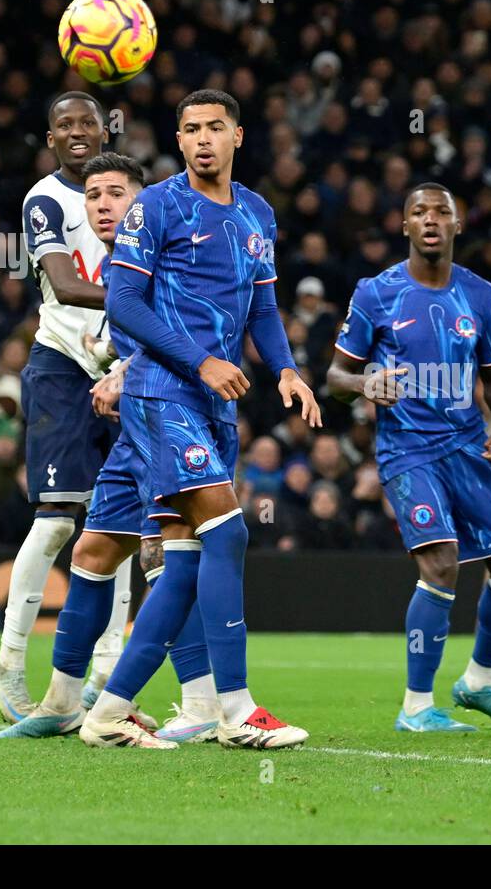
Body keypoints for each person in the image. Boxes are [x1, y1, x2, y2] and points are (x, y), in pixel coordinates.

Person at [88, 89, 320, 749]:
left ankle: (106, 714)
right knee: (229, 533)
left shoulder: (256, 213)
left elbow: (262, 310)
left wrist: (285, 369)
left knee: (186, 562)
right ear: (181, 140)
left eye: (215, 127)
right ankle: (236, 709)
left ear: (238, 137)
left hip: (216, 404)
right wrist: (202, 361)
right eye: (190, 129)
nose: (202, 139)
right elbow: (124, 302)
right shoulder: (156, 206)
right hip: (163, 392)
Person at [0, 152, 216, 743]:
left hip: (175, 419)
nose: (102, 206)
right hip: (134, 427)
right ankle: (62, 701)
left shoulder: (160, 257)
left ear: (142, 201)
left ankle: (204, 704)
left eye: (116, 194)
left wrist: (126, 370)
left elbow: (191, 329)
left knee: (170, 554)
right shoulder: (117, 265)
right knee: (93, 551)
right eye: (92, 197)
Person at [327, 183, 491, 733]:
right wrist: (365, 382)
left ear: (457, 224)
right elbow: (333, 378)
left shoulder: (480, 294)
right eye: (418, 211)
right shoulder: (377, 293)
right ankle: (417, 707)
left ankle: (478, 684)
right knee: (441, 563)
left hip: (469, 448)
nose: (430, 219)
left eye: (441, 211)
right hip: (406, 451)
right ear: (404, 227)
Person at [0, 91, 130, 723]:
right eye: (64, 124)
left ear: (105, 131)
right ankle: (9, 666)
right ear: (51, 140)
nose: (76, 131)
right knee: (57, 520)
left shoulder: (131, 200)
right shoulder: (45, 199)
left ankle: (104, 674)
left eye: (87, 123)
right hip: (60, 370)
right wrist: (145, 305)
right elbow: (66, 285)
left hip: (120, 371)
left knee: (119, 524)